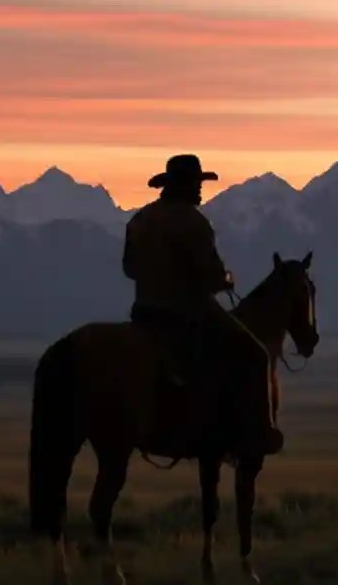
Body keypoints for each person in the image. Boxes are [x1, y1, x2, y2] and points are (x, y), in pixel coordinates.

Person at [122, 154, 284, 456]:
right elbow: (211, 275)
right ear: (184, 186)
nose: (200, 189)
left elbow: (129, 268)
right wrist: (225, 280)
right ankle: (260, 432)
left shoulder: (139, 219)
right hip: (187, 312)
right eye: (197, 183)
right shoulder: (195, 223)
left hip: (144, 313)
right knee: (256, 355)